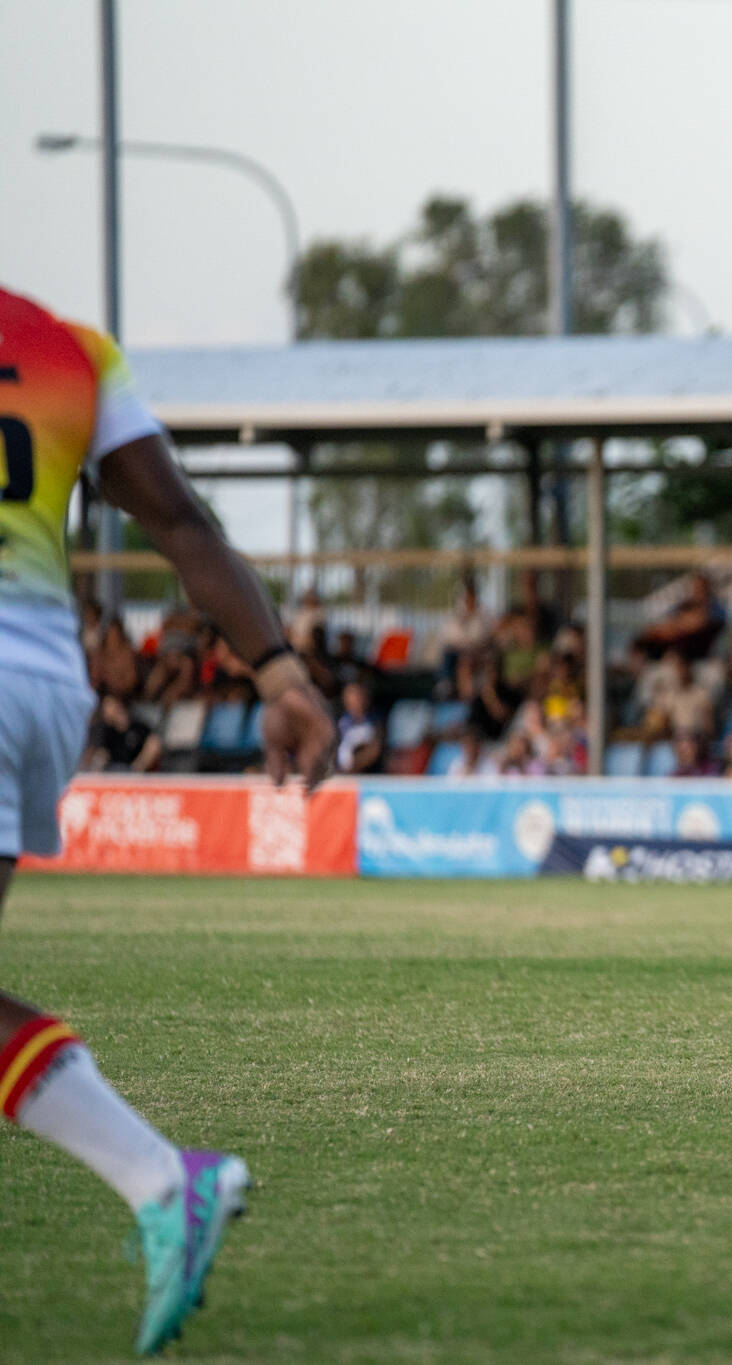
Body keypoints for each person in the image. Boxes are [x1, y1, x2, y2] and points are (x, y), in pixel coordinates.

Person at [0, 286, 334, 1352]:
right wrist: (279, 671)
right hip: (44, 682)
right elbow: (180, 520)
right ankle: (158, 1182)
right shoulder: (67, 346)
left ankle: (160, 1179)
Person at [85, 694, 162, 774]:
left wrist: (138, 768)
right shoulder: (106, 729)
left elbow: (154, 743)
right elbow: (102, 754)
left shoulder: (137, 725)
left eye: (107, 706)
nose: (104, 711)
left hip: (135, 771)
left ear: (118, 706)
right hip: (113, 771)